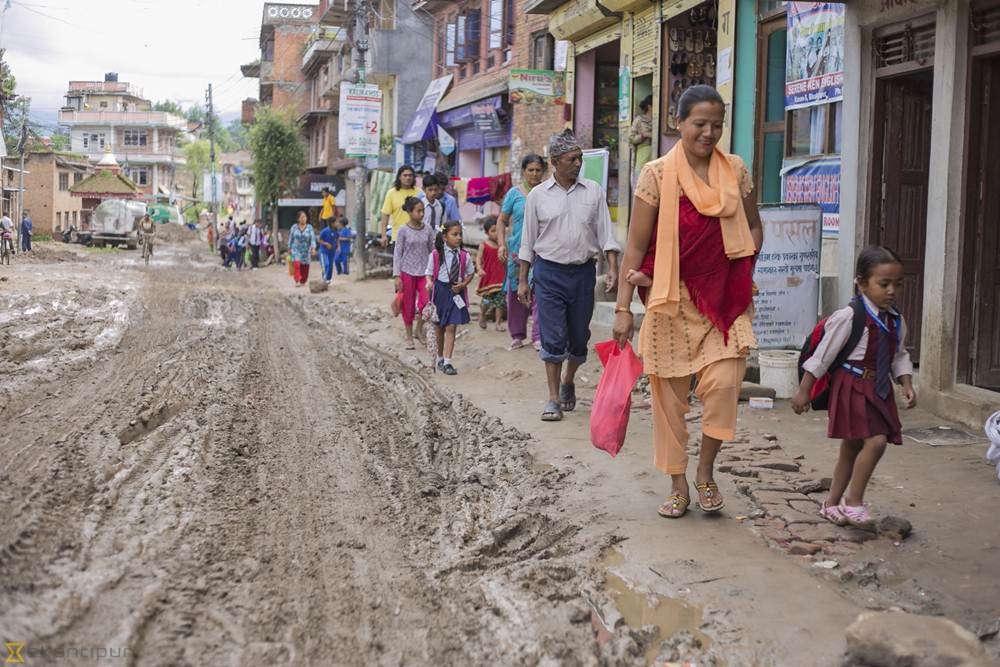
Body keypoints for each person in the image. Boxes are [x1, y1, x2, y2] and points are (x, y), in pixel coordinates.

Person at [612, 85, 763, 519]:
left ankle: (705, 472)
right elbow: (636, 249)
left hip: (724, 301)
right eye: (700, 124)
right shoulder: (657, 175)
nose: (709, 133)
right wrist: (623, 309)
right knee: (669, 402)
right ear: (679, 123)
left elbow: (754, 227)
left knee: (724, 385)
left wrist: (740, 268)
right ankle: (677, 483)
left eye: (717, 125)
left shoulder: (735, 170)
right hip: (670, 301)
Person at [792, 246, 915, 528]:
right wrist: (804, 391)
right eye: (883, 284)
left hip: (878, 388)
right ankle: (854, 502)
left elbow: (899, 354)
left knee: (851, 447)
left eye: (898, 284)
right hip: (853, 386)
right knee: (876, 441)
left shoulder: (895, 320)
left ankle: (831, 503)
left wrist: (906, 382)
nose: (891, 291)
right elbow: (822, 356)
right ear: (861, 283)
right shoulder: (849, 317)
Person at [519, 130, 621, 422]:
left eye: (580, 159)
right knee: (553, 338)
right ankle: (552, 398)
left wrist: (612, 268)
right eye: (572, 159)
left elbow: (607, 235)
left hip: (583, 274)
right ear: (555, 162)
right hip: (548, 272)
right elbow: (528, 242)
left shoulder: (593, 192)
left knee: (578, 339)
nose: (578, 164)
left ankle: (568, 380)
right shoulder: (537, 196)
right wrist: (524, 279)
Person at [498, 154, 546, 351]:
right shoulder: (514, 194)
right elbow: (502, 220)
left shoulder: (547, 192)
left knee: (540, 293)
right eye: (530, 170)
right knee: (516, 292)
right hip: (517, 251)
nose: (534, 174)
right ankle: (517, 334)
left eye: (538, 170)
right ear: (524, 172)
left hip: (542, 250)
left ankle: (538, 336)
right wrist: (502, 244)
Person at [426, 220, 475, 375]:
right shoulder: (435, 255)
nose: (459, 237)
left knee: (451, 326)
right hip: (440, 291)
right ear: (445, 237)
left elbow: (470, 273)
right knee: (439, 327)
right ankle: (440, 358)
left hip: (456, 292)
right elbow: (428, 272)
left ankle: (447, 362)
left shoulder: (464, 256)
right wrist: (429, 283)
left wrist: (463, 284)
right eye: (455, 234)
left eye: (460, 234)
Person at [393, 196, 435, 349]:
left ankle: (419, 329)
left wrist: (435, 270)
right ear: (410, 212)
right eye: (418, 211)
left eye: (423, 211)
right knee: (408, 305)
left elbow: (433, 251)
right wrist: (397, 275)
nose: (422, 214)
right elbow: (398, 253)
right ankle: (409, 336)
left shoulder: (428, 229)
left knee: (427, 303)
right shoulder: (403, 230)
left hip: (425, 273)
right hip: (407, 271)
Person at [475, 216, 506, 332]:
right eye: (493, 231)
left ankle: (498, 323)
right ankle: (482, 315)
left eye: (498, 230)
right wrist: (479, 269)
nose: (496, 234)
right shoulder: (484, 244)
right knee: (486, 301)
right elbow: (478, 258)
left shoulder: (502, 245)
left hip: (501, 277)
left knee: (500, 302)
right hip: (489, 278)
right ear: (486, 232)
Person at [379, 165, 421, 246]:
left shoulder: (420, 193)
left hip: (417, 238)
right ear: (399, 177)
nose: (408, 178)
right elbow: (385, 215)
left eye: (410, 175)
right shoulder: (391, 193)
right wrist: (383, 236)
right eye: (405, 175)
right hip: (398, 238)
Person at [629, 95, 654, 185]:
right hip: (643, 153)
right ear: (649, 106)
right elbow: (631, 138)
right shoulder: (639, 120)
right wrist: (644, 135)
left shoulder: (659, 120)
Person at [288, 209, 317, 286]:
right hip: (295, 249)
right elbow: (291, 238)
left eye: (304, 217)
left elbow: (312, 238)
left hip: (306, 250)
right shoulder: (294, 227)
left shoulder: (309, 227)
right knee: (297, 264)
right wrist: (289, 248)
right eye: (302, 217)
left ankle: (303, 281)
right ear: (298, 219)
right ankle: (297, 280)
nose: (303, 218)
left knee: (305, 266)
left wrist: (313, 248)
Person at [318, 217, 338, 284]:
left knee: (330, 266)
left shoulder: (336, 231)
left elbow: (337, 239)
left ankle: (328, 279)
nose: (337, 223)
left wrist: (338, 247)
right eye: (335, 222)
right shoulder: (324, 231)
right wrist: (326, 244)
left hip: (332, 252)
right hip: (324, 252)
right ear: (332, 223)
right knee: (326, 264)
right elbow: (319, 240)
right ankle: (324, 278)